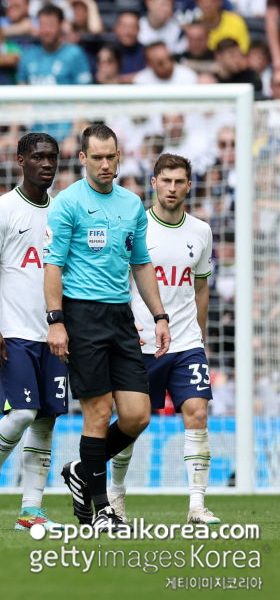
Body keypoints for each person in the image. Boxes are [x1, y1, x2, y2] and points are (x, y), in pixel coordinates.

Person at [44, 123, 171, 532]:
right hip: (81, 317)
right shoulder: (67, 203)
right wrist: (56, 321)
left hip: (120, 317)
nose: (104, 164)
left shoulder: (132, 204)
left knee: (137, 415)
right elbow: (54, 266)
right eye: (96, 157)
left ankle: (83, 469)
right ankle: (103, 512)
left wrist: (160, 315)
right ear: (82, 159)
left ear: (119, 156)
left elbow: (141, 264)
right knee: (98, 414)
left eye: (110, 157)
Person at [109, 154, 219, 525]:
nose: (172, 188)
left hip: (186, 342)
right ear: (154, 183)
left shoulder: (201, 232)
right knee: (131, 422)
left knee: (198, 412)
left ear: (189, 185)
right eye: (166, 181)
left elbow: (200, 286)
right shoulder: (134, 228)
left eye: (179, 182)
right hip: (140, 342)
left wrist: (199, 334)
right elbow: (116, 282)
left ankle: (197, 505)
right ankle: (116, 497)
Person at [0, 132, 67, 531]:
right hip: (12, 331)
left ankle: (31, 509)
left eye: (53, 158)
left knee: (45, 421)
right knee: (23, 412)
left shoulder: (63, 213)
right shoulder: (2, 208)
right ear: (20, 160)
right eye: (39, 157)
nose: (47, 164)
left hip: (54, 334)